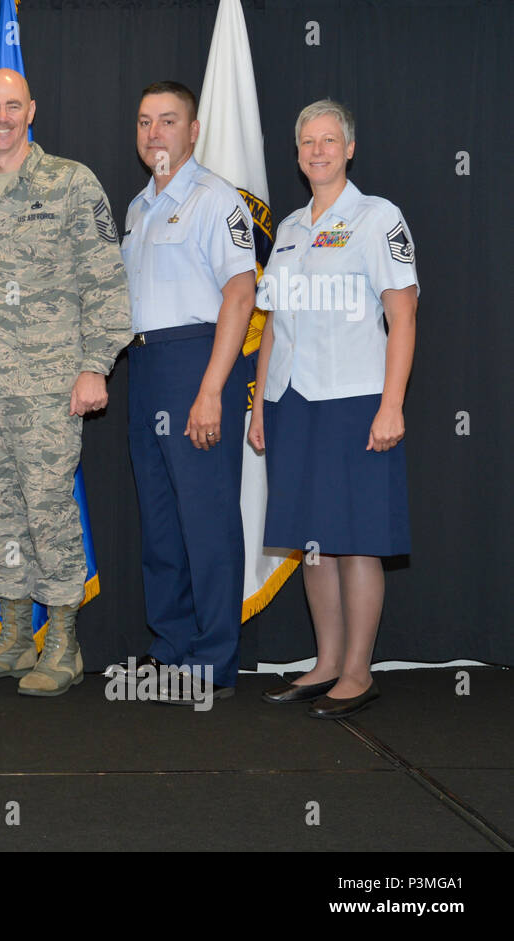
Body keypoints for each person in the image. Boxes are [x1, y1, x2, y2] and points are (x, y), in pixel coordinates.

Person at [0, 69, 130, 696]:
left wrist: (95, 364)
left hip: (52, 386)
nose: (2, 116)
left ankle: (64, 645)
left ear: (32, 112)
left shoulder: (72, 183)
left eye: (13, 106)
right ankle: (15, 638)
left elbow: (106, 278)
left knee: (49, 514)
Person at [250, 99, 418, 718]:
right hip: (293, 400)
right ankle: (324, 662)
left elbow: (403, 315)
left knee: (357, 540)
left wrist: (392, 404)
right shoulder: (291, 229)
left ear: (349, 149)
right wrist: (262, 403)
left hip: (356, 399)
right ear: (296, 155)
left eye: (329, 140)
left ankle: (357, 670)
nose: (317, 151)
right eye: (307, 143)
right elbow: (272, 324)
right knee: (311, 542)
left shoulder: (377, 218)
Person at [116, 81, 257, 703]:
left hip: (198, 364)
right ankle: (170, 650)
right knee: (161, 522)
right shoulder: (137, 207)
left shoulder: (217, 199)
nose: (154, 133)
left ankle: (215, 659)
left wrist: (211, 390)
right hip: (145, 369)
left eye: (167, 121)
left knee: (207, 520)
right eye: (145, 122)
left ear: (193, 131)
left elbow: (240, 293)